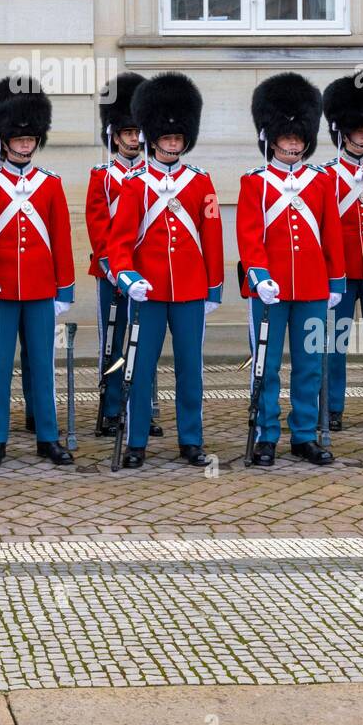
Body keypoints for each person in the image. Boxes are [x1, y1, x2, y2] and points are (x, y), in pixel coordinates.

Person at [107, 72, 223, 469]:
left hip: (190, 292)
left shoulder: (200, 182)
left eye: (178, 139)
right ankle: (136, 440)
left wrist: (214, 289)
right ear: (153, 138)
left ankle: (191, 439)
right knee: (140, 371)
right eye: (167, 138)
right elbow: (118, 242)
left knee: (191, 371)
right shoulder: (135, 185)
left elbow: (212, 238)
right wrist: (127, 277)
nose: (173, 144)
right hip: (149, 293)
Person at [236, 72, 345, 468]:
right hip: (270, 290)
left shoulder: (320, 181)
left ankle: (303, 435)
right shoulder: (255, 183)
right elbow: (249, 238)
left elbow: (332, 235)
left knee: (308, 366)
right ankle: (267, 434)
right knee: (265, 367)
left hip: (313, 287)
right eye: (287, 137)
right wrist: (260, 276)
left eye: (300, 137)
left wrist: (335, 281)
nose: (294, 143)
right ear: (271, 136)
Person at [0, 75, 75, 468]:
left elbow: (61, 239)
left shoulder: (50, 185)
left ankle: (48, 436)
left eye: (30, 138)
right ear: (3, 139)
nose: (25, 144)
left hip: (41, 290)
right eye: (18, 138)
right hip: (2, 291)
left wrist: (64, 290)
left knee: (42, 366)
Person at [322, 71, 363, 429]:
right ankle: (332, 406)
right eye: (358, 128)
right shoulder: (326, 175)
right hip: (341, 273)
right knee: (333, 344)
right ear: (343, 131)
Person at [85, 71, 144, 435]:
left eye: (138, 132)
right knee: (115, 340)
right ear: (115, 135)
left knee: (145, 342)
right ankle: (110, 409)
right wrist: (113, 269)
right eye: (128, 133)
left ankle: (143, 407)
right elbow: (98, 226)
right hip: (113, 274)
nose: (134, 139)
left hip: (148, 273)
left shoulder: (157, 174)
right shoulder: (103, 175)